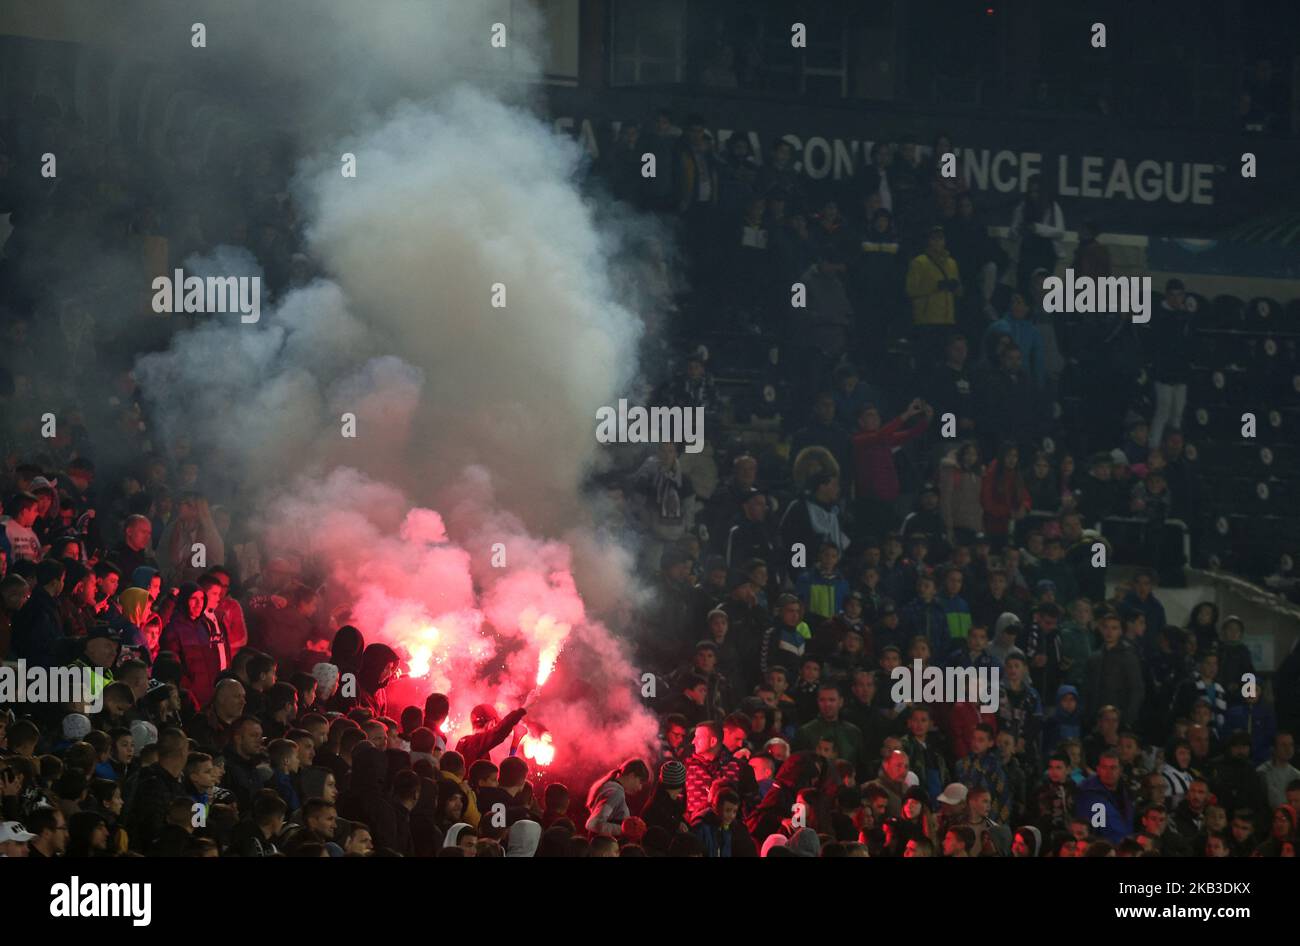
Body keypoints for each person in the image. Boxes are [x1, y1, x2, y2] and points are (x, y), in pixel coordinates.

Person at [585, 759, 649, 838]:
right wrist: (625, 829)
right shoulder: (616, 792)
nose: (640, 788)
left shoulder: (609, 787)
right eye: (640, 782)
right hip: (605, 847)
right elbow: (593, 824)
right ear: (632, 775)